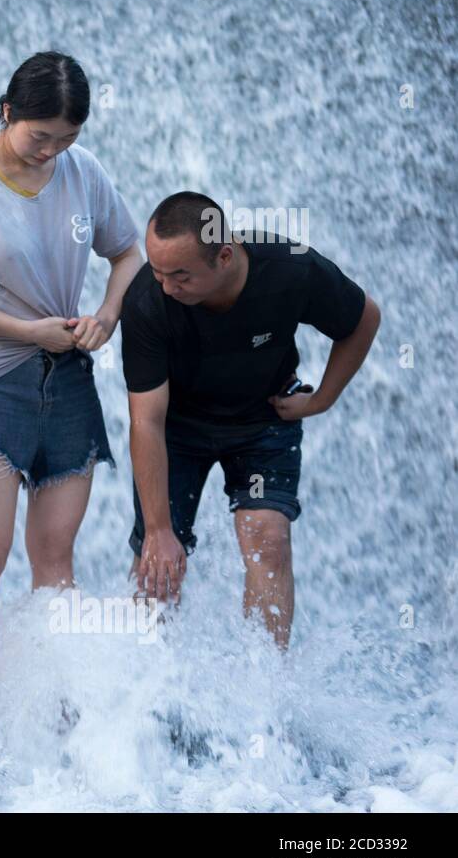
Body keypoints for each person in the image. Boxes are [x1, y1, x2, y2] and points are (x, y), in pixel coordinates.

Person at [0, 52, 143, 708]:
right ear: (8, 111)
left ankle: (60, 713)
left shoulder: (81, 173)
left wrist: (108, 314)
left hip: (68, 379)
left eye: (66, 138)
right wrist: (30, 332)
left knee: (56, 554)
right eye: (40, 137)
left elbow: (128, 251)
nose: (50, 151)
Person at [121, 191, 380, 647]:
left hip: (262, 422)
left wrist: (322, 398)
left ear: (224, 255)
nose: (165, 286)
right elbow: (146, 421)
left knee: (269, 540)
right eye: (158, 271)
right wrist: (159, 531)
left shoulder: (290, 270)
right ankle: (143, 697)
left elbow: (364, 318)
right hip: (176, 431)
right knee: (156, 559)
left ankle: (262, 694)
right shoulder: (147, 299)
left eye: (179, 275)